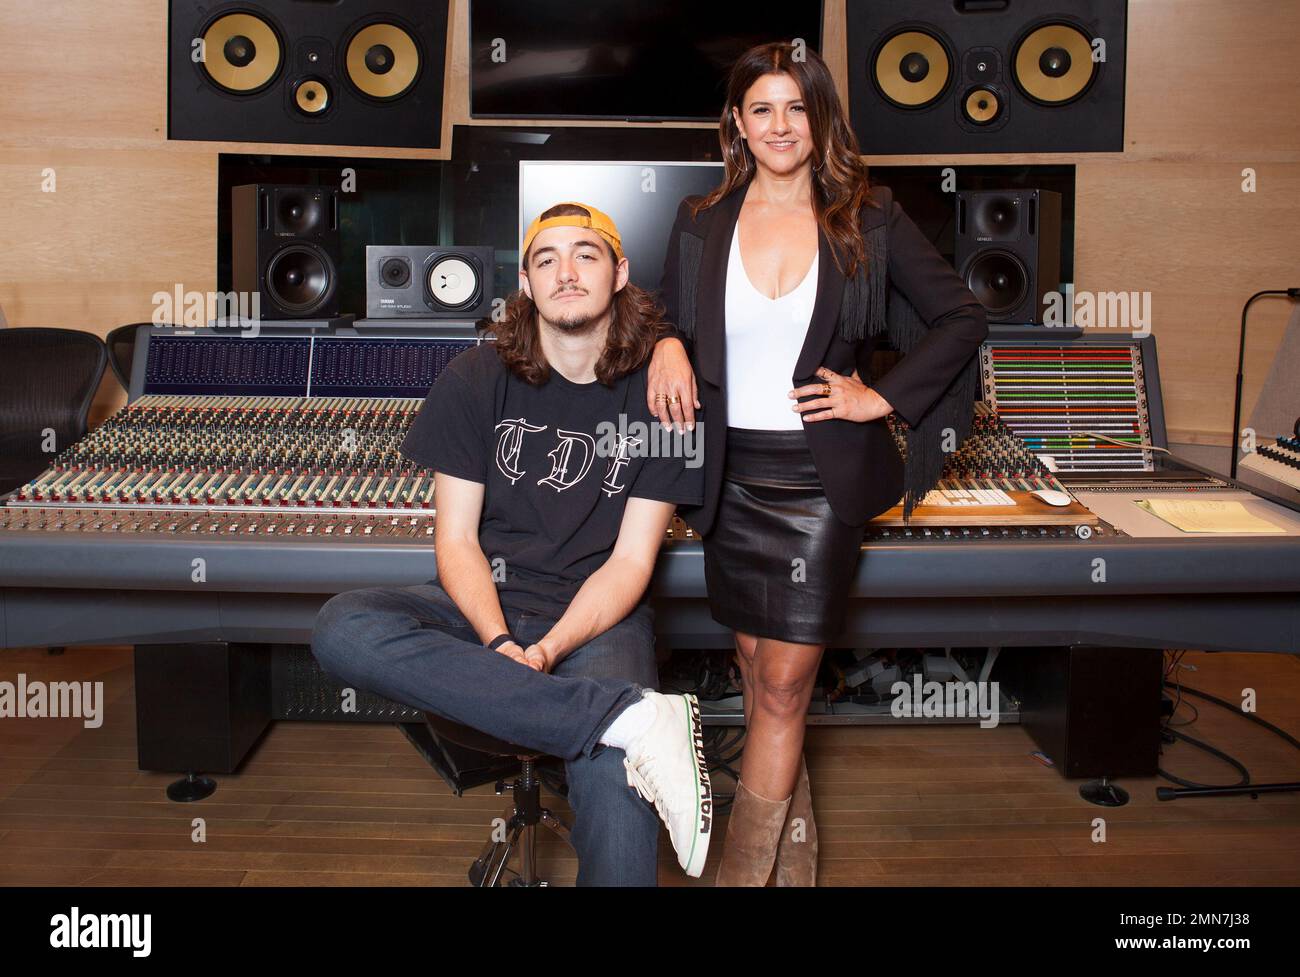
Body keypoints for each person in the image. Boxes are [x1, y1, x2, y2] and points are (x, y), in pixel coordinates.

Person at [647, 43, 989, 886]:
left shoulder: (868, 218)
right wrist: (662, 342)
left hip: (818, 484)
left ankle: (740, 875)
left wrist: (883, 396)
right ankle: (794, 863)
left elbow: (961, 317)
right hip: (727, 477)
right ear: (736, 123)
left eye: (797, 108)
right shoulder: (700, 219)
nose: (779, 126)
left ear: (821, 119)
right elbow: (660, 312)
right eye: (761, 109)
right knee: (758, 672)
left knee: (787, 685)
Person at [312, 202, 712, 884]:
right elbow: (458, 540)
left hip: (594, 620)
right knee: (341, 625)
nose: (565, 272)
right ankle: (631, 719)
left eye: (585, 255)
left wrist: (551, 647)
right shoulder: (474, 379)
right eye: (545, 259)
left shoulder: (660, 396)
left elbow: (631, 559)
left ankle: (616, 725)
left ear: (619, 274)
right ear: (525, 283)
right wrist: (500, 647)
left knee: (618, 788)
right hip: (480, 609)